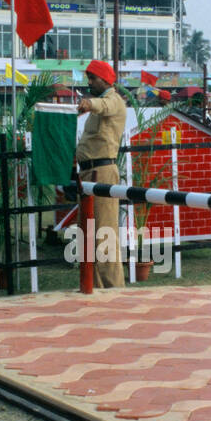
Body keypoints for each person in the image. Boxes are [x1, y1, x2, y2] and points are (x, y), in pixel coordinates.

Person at [75, 59, 126, 288]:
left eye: (92, 78)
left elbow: (103, 106)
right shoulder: (98, 106)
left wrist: (89, 104)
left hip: (102, 172)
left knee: (104, 235)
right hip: (87, 173)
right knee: (87, 235)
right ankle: (95, 288)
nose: (89, 82)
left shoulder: (113, 101)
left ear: (105, 79)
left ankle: (114, 290)